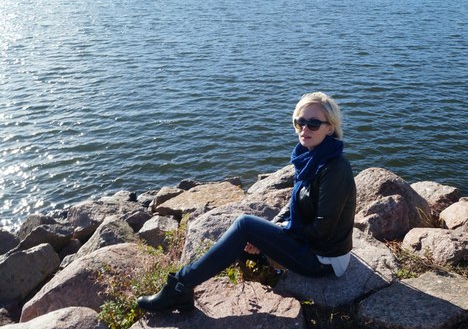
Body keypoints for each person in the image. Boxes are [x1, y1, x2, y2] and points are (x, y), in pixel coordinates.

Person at [137, 92, 357, 312]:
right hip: (313, 248)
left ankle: (179, 286)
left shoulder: (334, 168)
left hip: (324, 260)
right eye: (300, 122)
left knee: (245, 225)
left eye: (313, 124)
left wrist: (277, 235)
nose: (304, 129)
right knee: (247, 233)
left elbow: (322, 231)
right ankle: (258, 273)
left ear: (330, 128)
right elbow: (294, 205)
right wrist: (272, 231)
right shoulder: (310, 158)